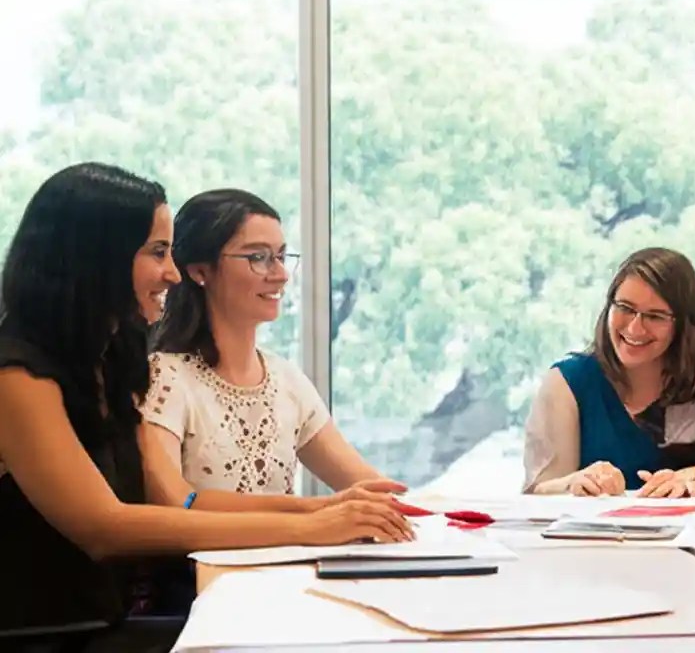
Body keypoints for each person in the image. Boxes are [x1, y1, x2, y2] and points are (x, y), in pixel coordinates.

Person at [0, 164, 410, 649]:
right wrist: (309, 525)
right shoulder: (18, 374)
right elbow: (105, 526)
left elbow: (182, 500)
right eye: (157, 252)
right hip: (46, 637)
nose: (171, 272)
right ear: (97, 258)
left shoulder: (111, 362)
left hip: (104, 626)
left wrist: (321, 509)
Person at [143, 189, 401, 507]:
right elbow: (176, 503)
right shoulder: (163, 376)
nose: (280, 275)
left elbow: (368, 486)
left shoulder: (286, 380)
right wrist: (315, 513)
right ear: (199, 271)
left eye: (281, 256)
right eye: (258, 258)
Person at [523, 247, 695, 498]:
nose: (635, 328)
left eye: (655, 316)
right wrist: (573, 483)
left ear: (684, 324)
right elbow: (539, 490)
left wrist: (689, 477)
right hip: (596, 536)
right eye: (625, 308)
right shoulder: (567, 382)